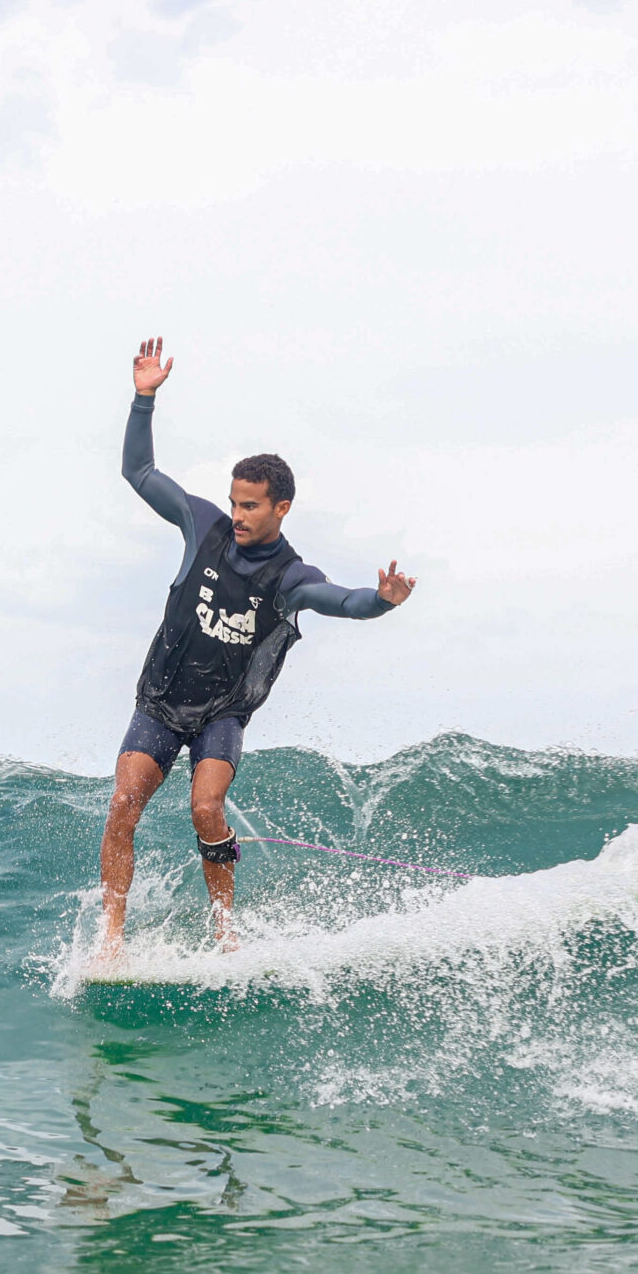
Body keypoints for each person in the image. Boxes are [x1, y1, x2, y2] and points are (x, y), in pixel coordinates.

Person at [99, 336, 415, 962]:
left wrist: (382, 600)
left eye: (251, 506)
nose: (237, 515)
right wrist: (143, 399)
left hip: (222, 712)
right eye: (235, 501)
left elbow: (343, 601)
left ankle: (225, 930)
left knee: (206, 808)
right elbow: (139, 473)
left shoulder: (291, 578)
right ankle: (111, 938)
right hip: (161, 699)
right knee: (122, 806)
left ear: (281, 508)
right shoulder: (203, 525)